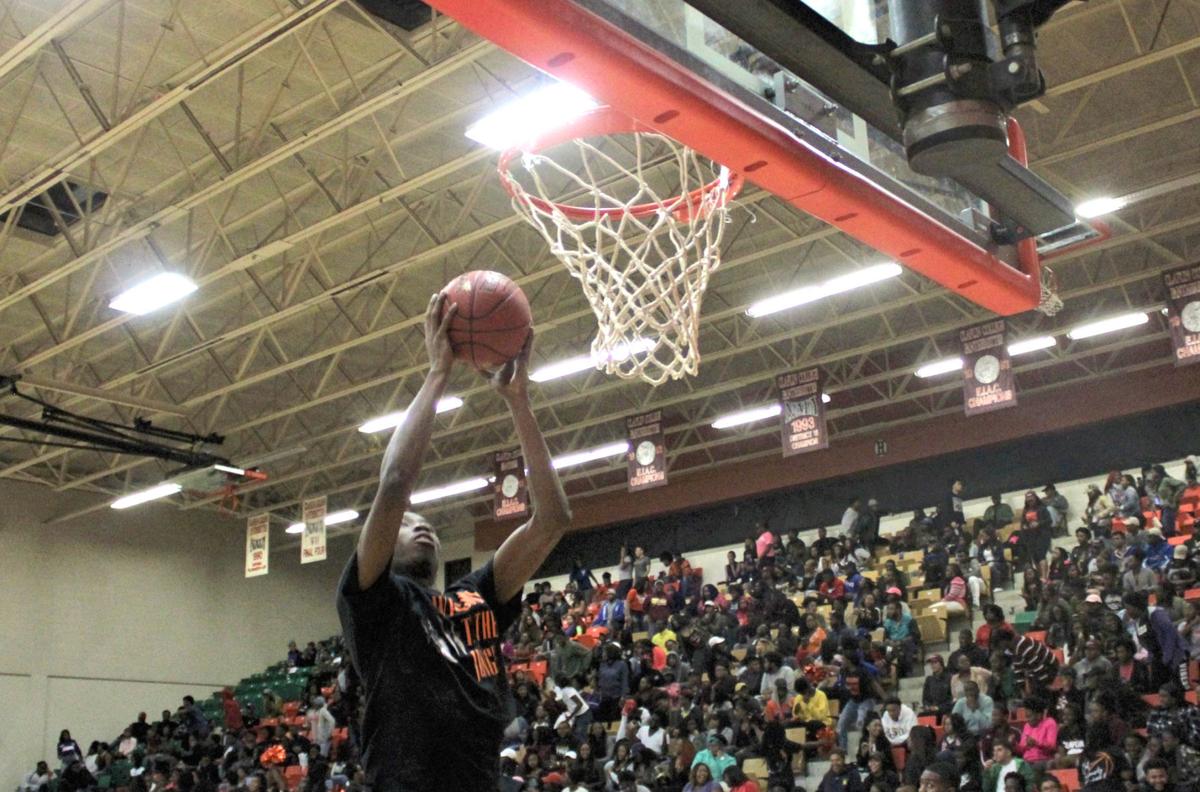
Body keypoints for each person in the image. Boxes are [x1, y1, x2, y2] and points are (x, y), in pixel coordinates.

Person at [335, 296, 572, 791]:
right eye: (404, 524)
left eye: (427, 524)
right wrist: (437, 375)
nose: (419, 527)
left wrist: (519, 403)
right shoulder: (375, 603)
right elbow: (396, 481)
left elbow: (552, 519)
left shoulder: (476, 596)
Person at [1122, 591, 1189, 688]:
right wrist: (1151, 660)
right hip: (1158, 659)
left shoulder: (1155, 613)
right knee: (1157, 687)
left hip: (1175, 655)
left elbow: (1170, 636)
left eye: (1128, 608)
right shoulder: (1138, 622)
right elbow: (1147, 644)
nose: (1127, 612)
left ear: (1136, 606)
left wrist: (1167, 658)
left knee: (1181, 686)